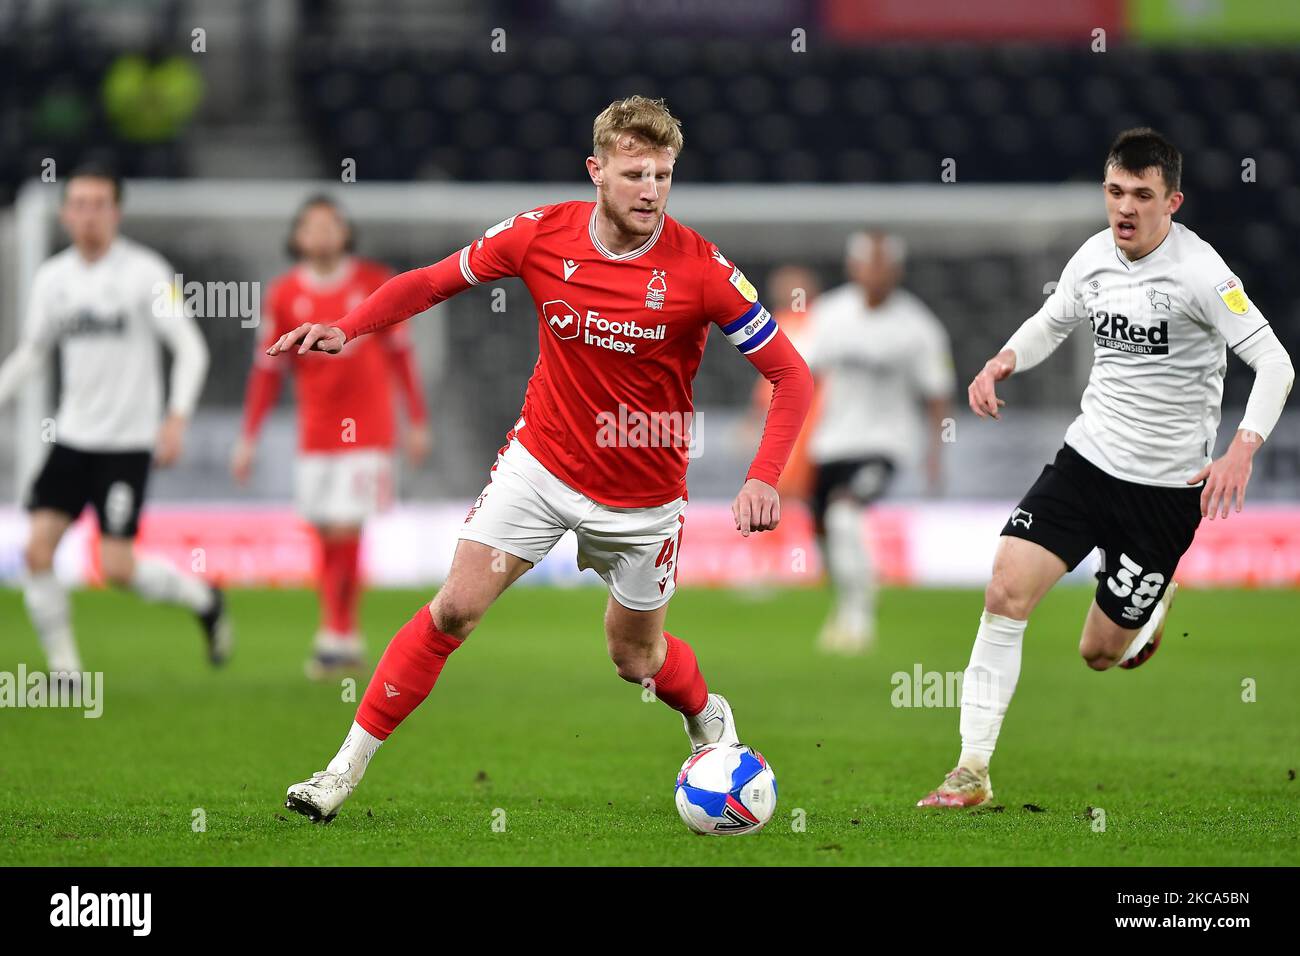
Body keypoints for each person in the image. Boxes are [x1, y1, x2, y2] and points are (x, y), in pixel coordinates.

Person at [268, 95, 814, 823]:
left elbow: (792, 375)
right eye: (633, 174)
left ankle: (707, 713)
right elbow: (432, 280)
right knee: (455, 609)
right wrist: (348, 326)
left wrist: (762, 477)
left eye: (663, 174)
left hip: (644, 496)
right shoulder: (539, 234)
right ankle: (339, 773)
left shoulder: (702, 270)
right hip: (541, 466)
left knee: (635, 660)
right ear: (596, 171)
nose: (650, 189)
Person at [919, 128, 1294, 808]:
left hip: (1164, 492)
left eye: (1142, 196)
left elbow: (1275, 362)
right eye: (1116, 191)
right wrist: (1004, 359)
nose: (1125, 208)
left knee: (1098, 652)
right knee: (1005, 591)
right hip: (1085, 463)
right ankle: (970, 770)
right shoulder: (1094, 255)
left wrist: (1242, 447)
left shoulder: (1203, 274)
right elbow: (1053, 319)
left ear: (1172, 201)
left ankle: (1145, 616)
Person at [0, 164, 230, 679]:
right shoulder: (53, 278)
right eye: (79, 204)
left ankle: (204, 598)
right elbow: (32, 352)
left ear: (116, 212)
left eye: (99, 204)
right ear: (64, 214)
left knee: (118, 569)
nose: (88, 215)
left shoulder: (146, 273)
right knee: (37, 551)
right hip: (72, 437)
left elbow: (190, 350)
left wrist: (175, 419)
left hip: (126, 444)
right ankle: (65, 672)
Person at [232, 196, 430, 678]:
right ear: (297, 237)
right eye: (311, 226)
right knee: (324, 530)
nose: (321, 234)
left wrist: (417, 420)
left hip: (369, 432)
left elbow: (402, 355)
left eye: (330, 225)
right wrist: (249, 435)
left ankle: (336, 633)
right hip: (315, 433)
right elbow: (266, 371)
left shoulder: (374, 282)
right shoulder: (282, 295)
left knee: (348, 526)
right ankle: (341, 632)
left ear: (345, 233)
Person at [806, 232, 954, 653]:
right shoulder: (830, 314)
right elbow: (801, 373)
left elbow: (937, 392)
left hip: (886, 444)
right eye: (868, 265)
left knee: (844, 514)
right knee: (821, 529)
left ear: (896, 271)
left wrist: (935, 454)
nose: (876, 274)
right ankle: (851, 593)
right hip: (831, 441)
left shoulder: (917, 326)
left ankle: (858, 616)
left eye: (883, 266)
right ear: (854, 268)